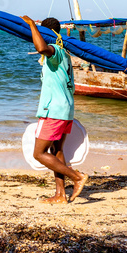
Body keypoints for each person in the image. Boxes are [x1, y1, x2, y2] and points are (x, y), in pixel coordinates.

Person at [21, 15, 88, 204]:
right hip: (65, 109)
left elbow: (41, 48)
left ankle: (77, 177)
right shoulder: (64, 53)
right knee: (57, 151)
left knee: (39, 153)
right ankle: (60, 195)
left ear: (45, 33)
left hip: (54, 110)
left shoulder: (55, 50)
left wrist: (32, 26)